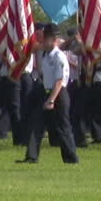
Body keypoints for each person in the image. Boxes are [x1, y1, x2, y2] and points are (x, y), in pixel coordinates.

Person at [17, 24, 78, 164]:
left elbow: (59, 80)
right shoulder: (46, 56)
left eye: (46, 38)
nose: (43, 41)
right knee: (37, 124)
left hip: (58, 94)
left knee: (63, 127)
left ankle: (71, 158)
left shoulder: (59, 56)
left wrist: (51, 100)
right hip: (47, 92)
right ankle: (31, 156)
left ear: (55, 39)